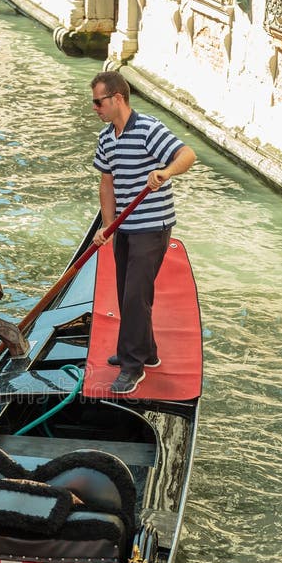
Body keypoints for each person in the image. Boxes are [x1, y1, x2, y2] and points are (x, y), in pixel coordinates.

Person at [91, 71, 196, 394]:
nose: (95, 108)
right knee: (127, 293)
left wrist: (164, 172)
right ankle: (146, 352)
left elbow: (187, 155)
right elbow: (106, 183)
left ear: (117, 98)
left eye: (99, 102)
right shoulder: (106, 138)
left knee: (136, 294)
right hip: (125, 226)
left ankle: (132, 366)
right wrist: (108, 225)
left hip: (152, 227)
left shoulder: (149, 129)